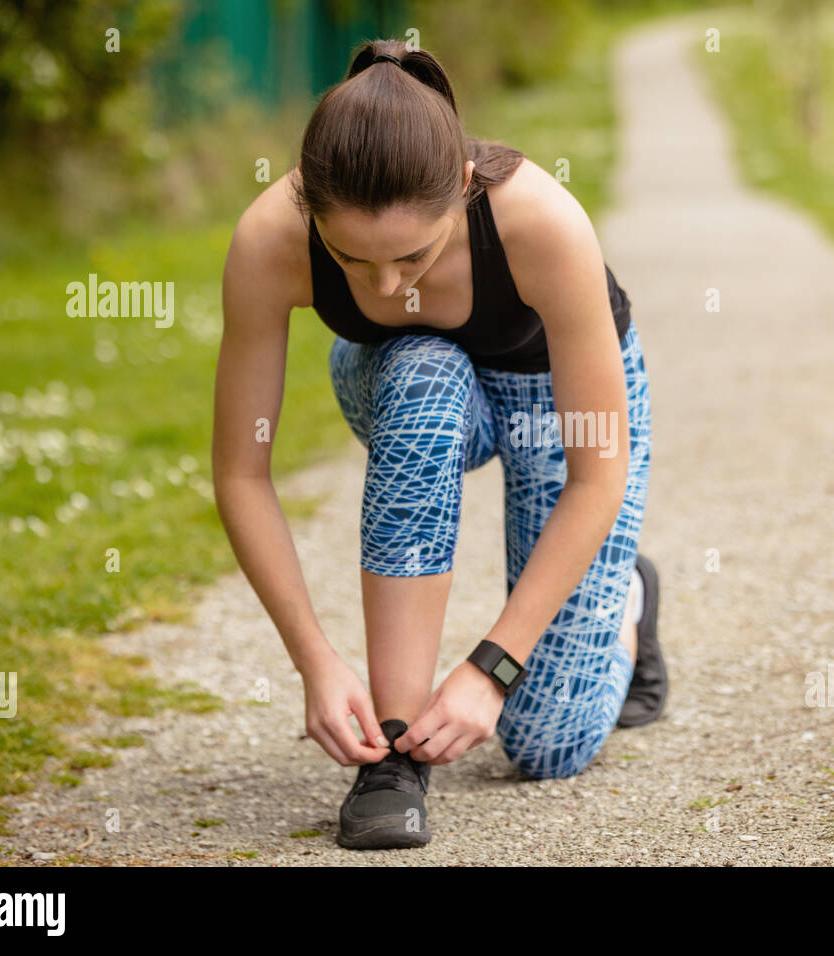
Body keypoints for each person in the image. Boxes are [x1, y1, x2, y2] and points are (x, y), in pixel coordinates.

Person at [212, 39, 668, 850]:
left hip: (547, 402)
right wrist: (314, 659)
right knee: (421, 367)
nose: (389, 288)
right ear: (309, 205)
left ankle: (627, 600)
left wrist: (492, 668)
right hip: (402, 387)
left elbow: (598, 474)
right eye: (351, 260)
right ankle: (392, 759)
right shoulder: (267, 239)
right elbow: (243, 473)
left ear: (462, 189)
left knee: (548, 743)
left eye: (414, 256)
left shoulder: (544, 221)